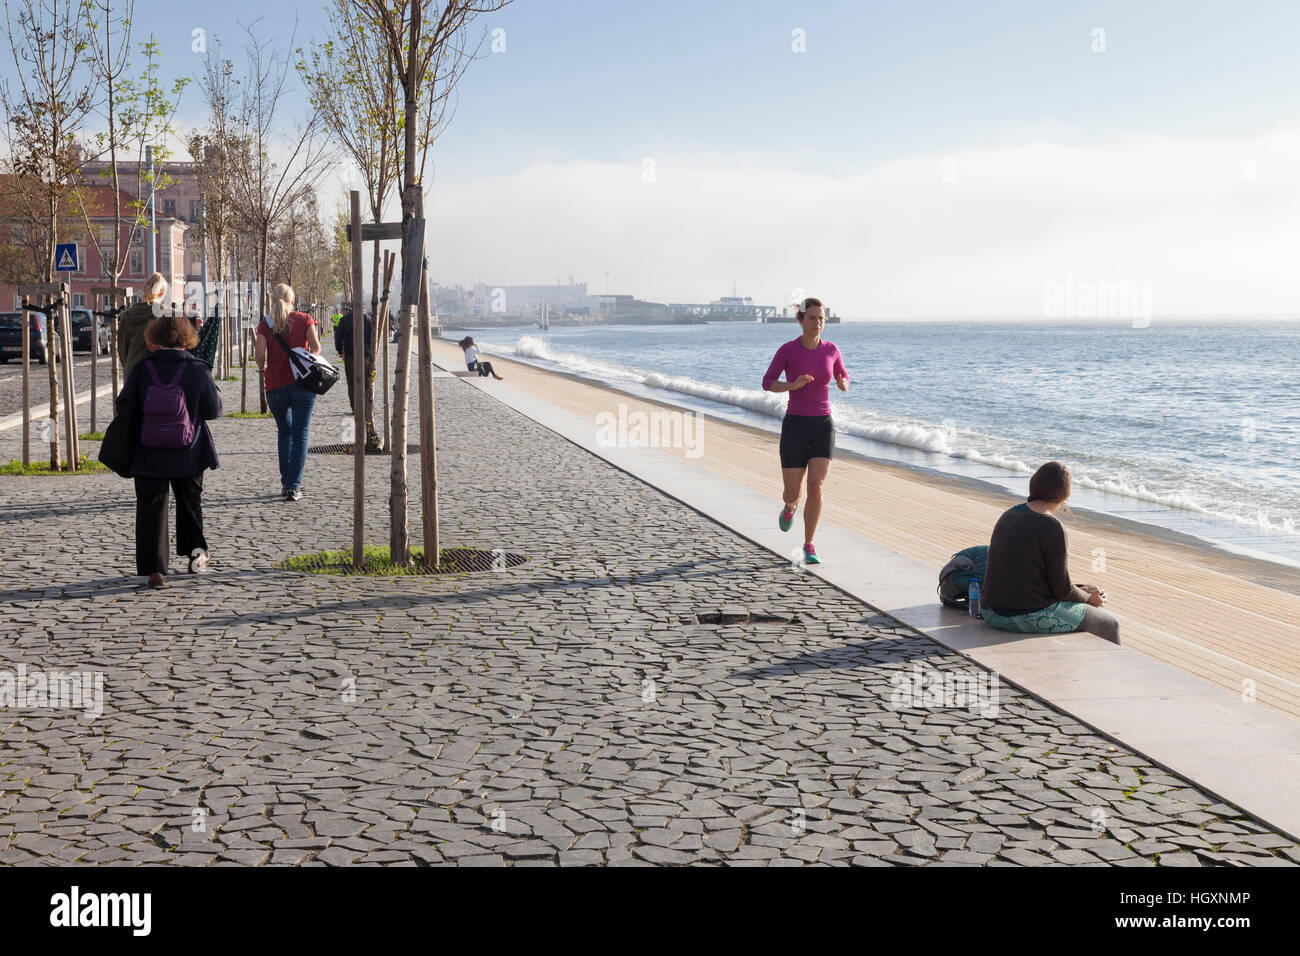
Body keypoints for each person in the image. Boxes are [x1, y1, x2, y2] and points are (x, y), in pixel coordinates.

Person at [114, 313, 222, 588]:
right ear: (186, 338)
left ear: (155, 337)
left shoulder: (142, 367)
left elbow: (125, 405)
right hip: (190, 450)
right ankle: (196, 556)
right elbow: (214, 409)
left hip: (149, 450)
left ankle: (155, 570)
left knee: (151, 507)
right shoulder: (197, 368)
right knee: (190, 503)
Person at [980, 461, 1121, 644]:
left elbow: (1033, 576)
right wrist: (1089, 598)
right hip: (1022, 615)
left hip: (991, 611)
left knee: (1087, 593)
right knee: (1110, 623)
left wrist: (1083, 590)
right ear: (1065, 494)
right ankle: (1114, 673)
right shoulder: (1052, 526)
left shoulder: (1010, 514)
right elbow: (1061, 590)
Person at [761, 297, 848, 565]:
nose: (818, 322)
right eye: (812, 318)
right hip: (795, 425)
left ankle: (809, 544)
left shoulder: (832, 349)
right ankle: (789, 508)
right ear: (801, 320)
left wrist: (843, 382)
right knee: (793, 493)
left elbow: (842, 374)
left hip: (823, 424)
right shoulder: (788, 350)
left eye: (822, 318)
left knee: (817, 486)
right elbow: (767, 383)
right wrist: (792, 385)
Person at [255, 283, 322, 501]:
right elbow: (316, 347)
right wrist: (304, 359)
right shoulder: (304, 319)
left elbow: (259, 354)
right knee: (300, 433)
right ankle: (293, 487)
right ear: (292, 300)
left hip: (275, 386)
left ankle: (286, 483)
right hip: (302, 383)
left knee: (284, 432)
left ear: (272, 300)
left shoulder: (265, 324)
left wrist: (262, 369)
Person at [335, 308, 381, 452]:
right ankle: (367, 406)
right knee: (367, 383)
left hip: (350, 354)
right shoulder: (368, 319)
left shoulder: (345, 319)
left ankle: (356, 407)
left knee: (352, 382)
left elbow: (338, 337)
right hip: (366, 354)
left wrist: (340, 350)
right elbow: (374, 336)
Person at [116, 272, 169, 379]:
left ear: (144, 289)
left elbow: (122, 351)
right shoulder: (168, 315)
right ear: (162, 293)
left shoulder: (127, 315)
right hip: (160, 374)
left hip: (134, 371)